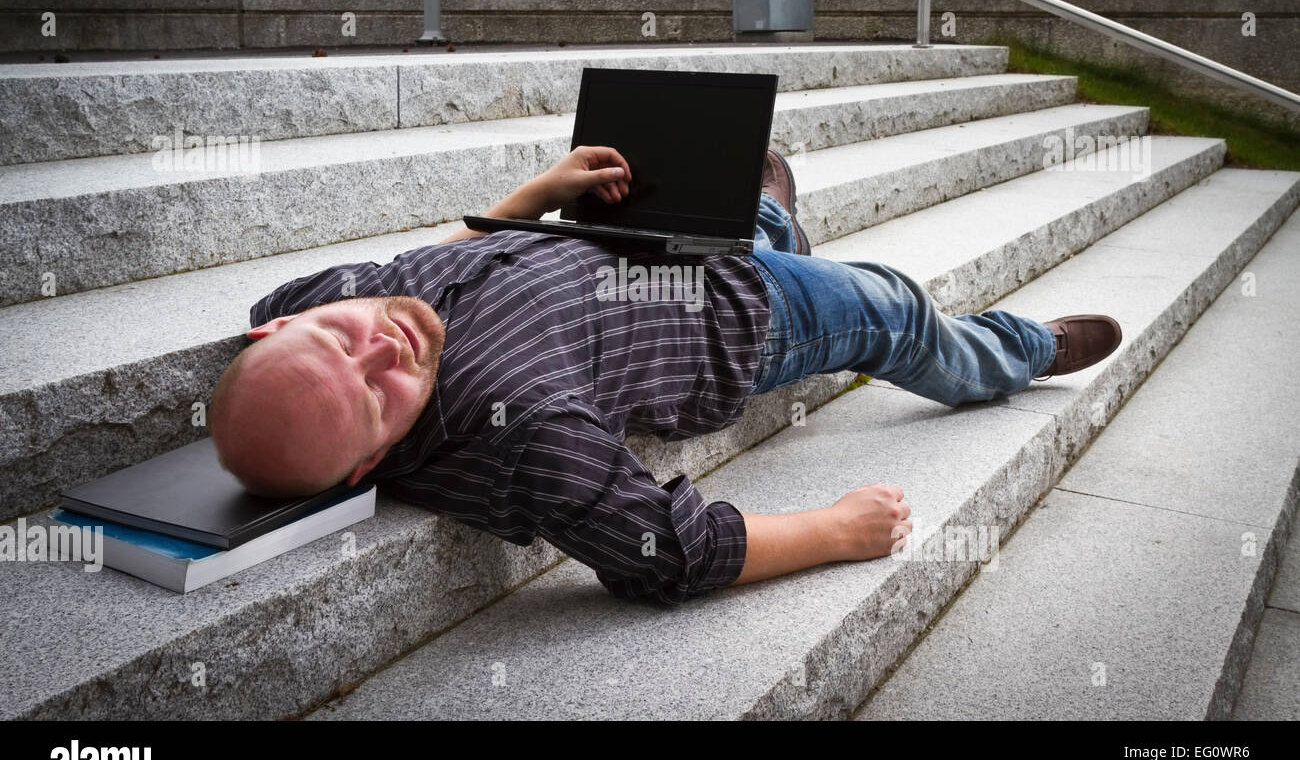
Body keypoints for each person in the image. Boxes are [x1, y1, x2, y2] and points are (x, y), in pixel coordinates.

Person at [209, 145, 1120, 605]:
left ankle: (766, 215)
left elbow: (421, 269)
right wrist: (839, 529)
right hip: (744, 314)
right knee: (895, 308)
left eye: (339, 338)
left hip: (632, 240)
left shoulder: (313, 296)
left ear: (280, 324)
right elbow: (672, 552)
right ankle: (1017, 350)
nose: (388, 347)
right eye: (376, 397)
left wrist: (533, 198)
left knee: (740, 204)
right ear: (370, 465)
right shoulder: (524, 440)